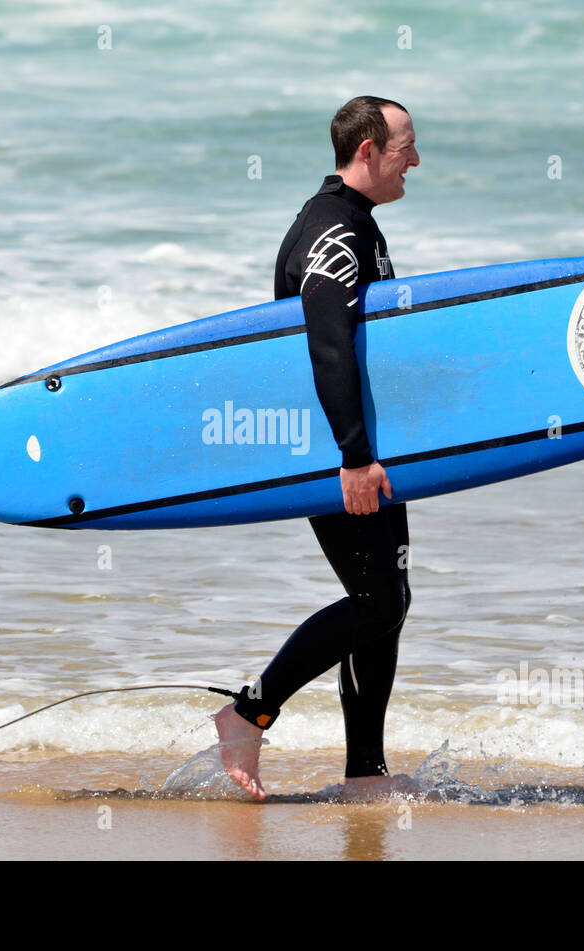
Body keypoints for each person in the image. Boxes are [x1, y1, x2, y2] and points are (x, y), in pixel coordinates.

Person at [212, 96, 421, 801]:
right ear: (367, 150)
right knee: (377, 600)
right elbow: (328, 341)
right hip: (337, 451)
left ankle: (365, 770)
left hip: (355, 446)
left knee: (384, 597)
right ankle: (249, 711)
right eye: (404, 147)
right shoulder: (335, 230)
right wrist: (355, 455)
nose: (413, 161)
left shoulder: (349, 223)